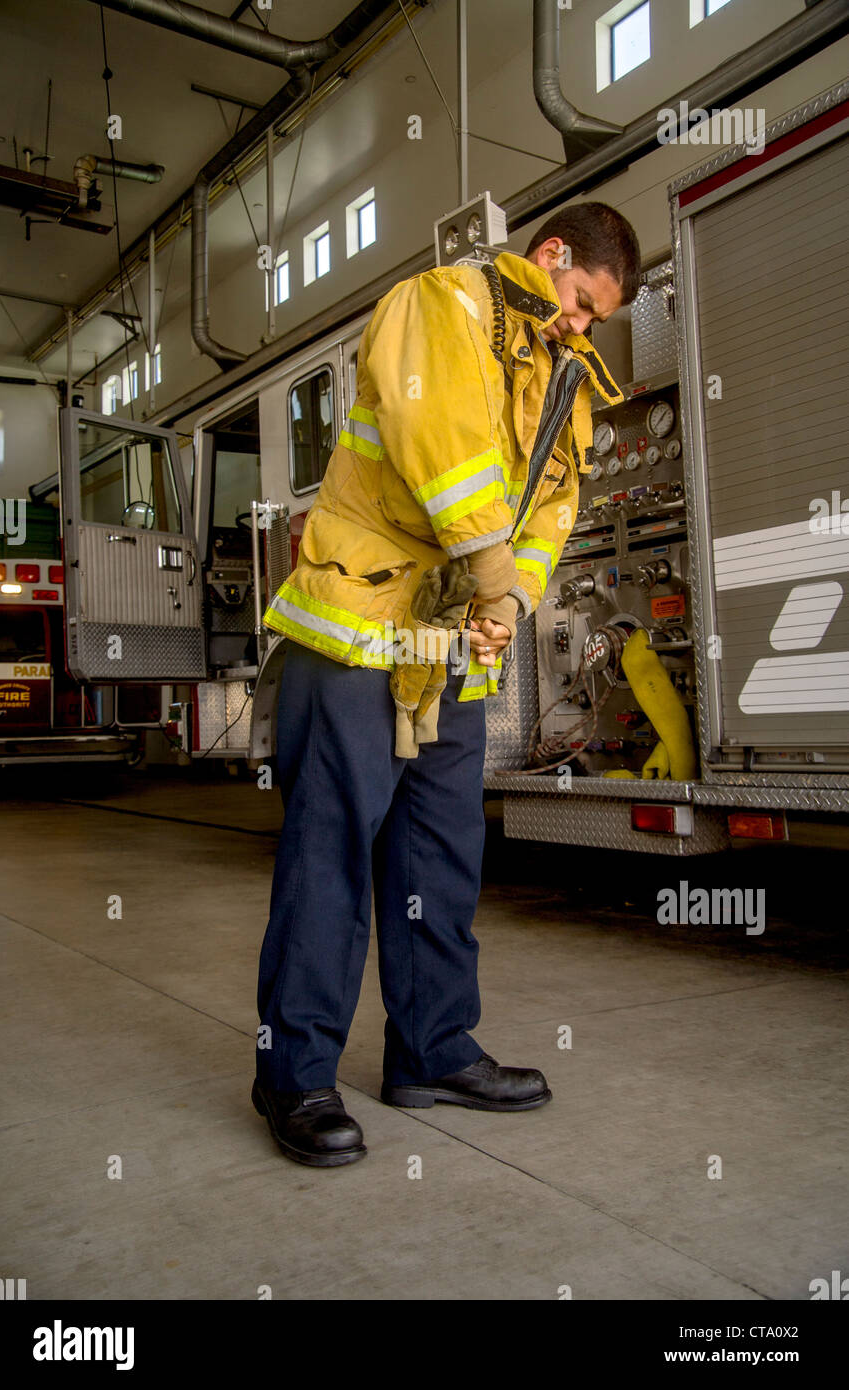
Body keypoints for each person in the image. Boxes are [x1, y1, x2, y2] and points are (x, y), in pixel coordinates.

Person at [252, 201, 641, 1166]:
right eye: (584, 302)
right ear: (551, 257)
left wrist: (512, 607)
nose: (585, 326)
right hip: (357, 631)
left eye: (598, 319)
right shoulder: (443, 305)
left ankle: (431, 1051)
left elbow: (554, 505)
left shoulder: (565, 375)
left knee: (440, 859)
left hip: (454, 648)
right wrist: (497, 582)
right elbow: (446, 455)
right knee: (329, 858)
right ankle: (294, 1077)